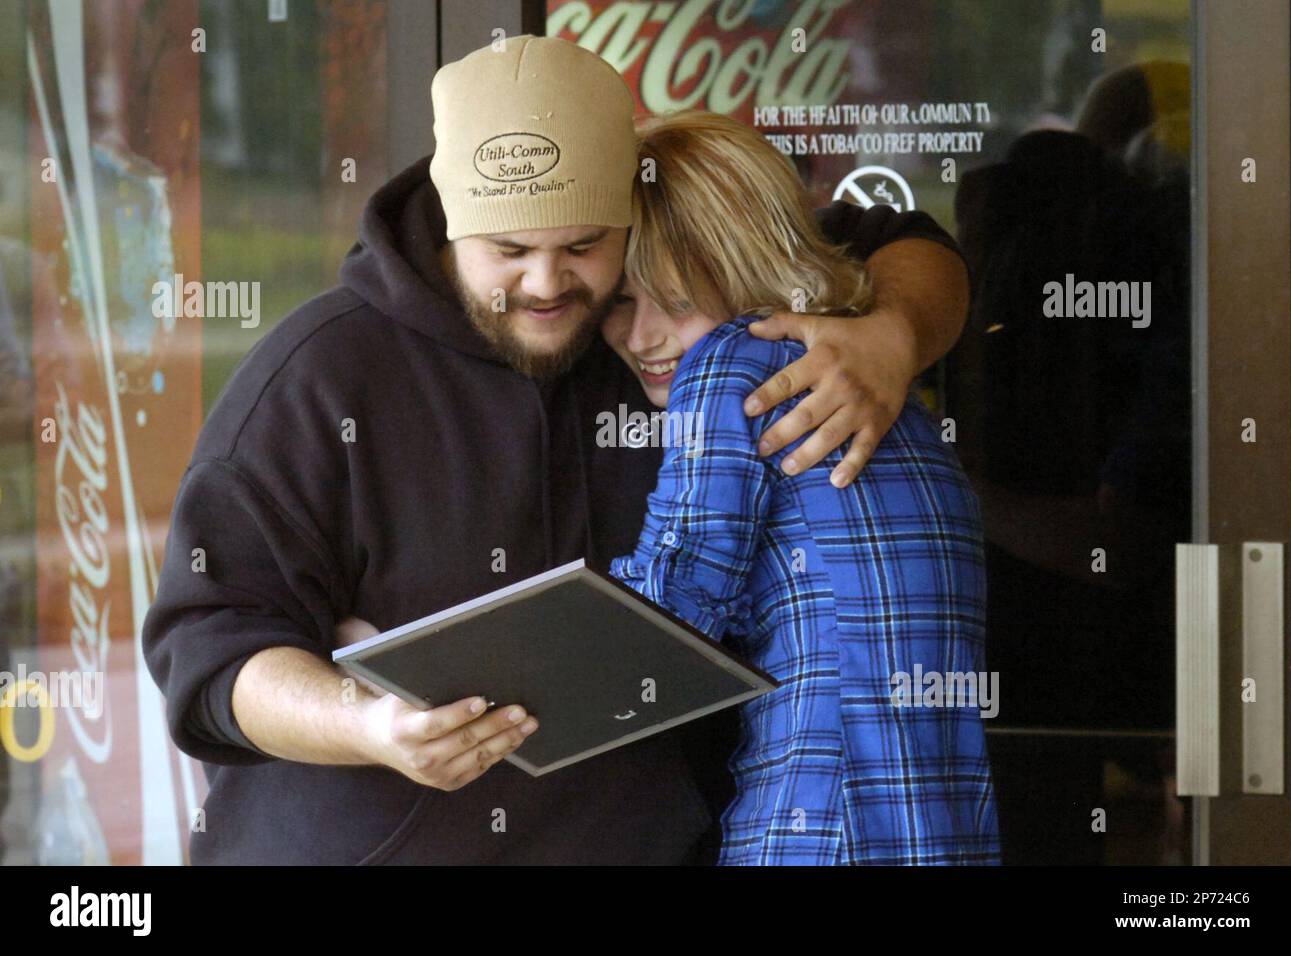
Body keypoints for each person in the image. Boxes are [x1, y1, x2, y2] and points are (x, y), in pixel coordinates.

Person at [142, 35, 973, 865]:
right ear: (448, 218)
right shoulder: (318, 377)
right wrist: (368, 721)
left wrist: (892, 335)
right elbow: (210, 652)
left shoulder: (676, 322)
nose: (547, 284)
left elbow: (901, 240)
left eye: (582, 247)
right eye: (508, 252)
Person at [603, 111, 1000, 864]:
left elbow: (665, 614)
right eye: (623, 300)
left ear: (746, 264)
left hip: (816, 828)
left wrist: (447, 671)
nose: (642, 334)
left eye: (676, 299)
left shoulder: (729, 363)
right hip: (943, 833)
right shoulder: (889, 393)